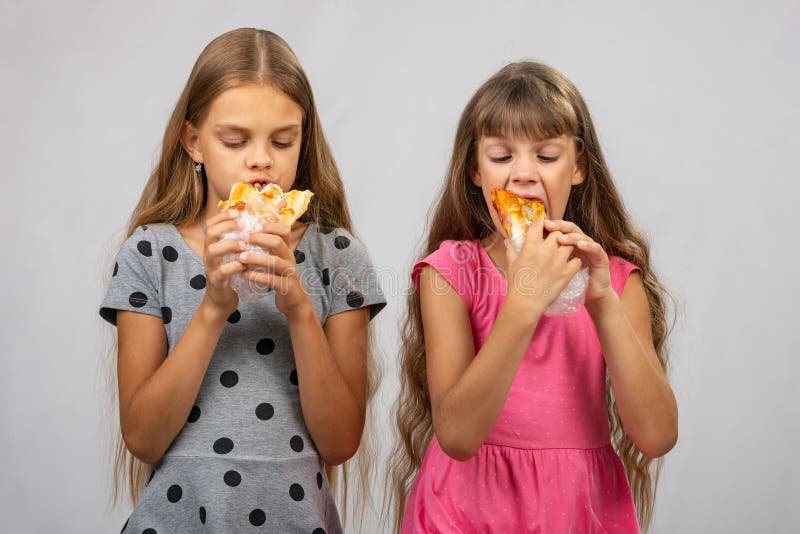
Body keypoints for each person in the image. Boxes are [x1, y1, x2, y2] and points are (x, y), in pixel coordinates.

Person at [99, 27, 385, 533]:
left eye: (282, 140)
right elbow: (142, 437)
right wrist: (213, 305)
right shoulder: (150, 253)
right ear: (194, 142)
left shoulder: (340, 258)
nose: (261, 160)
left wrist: (298, 305)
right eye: (235, 140)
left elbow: (341, 442)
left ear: (304, 138)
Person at [389, 61, 678, 533]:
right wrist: (523, 302)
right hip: (464, 512)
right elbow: (458, 436)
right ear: (475, 171)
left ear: (579, 166)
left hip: (576, 511)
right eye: (501, 157)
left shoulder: (619, 281)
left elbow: (658, 435)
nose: (523, 174)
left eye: (546, 156)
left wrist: (601, 300)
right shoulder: (451, 273)